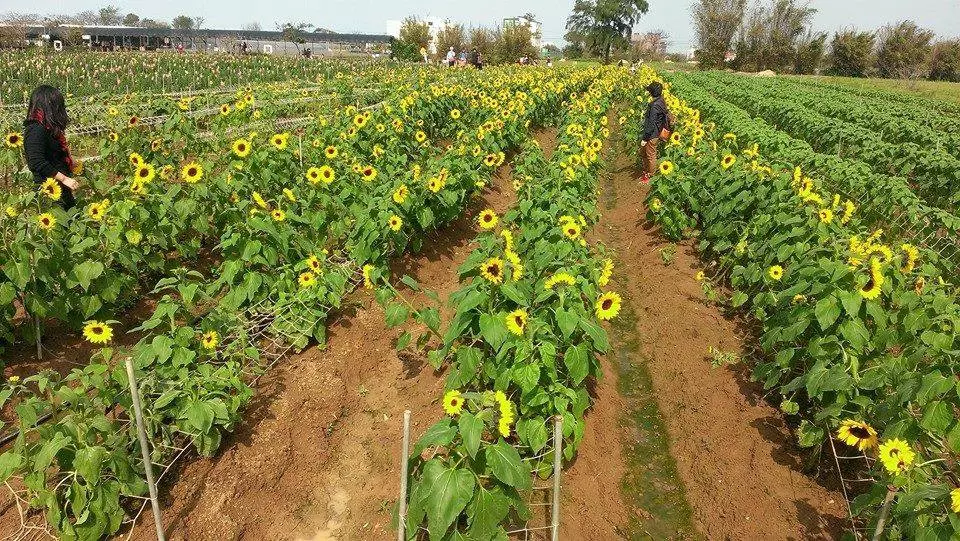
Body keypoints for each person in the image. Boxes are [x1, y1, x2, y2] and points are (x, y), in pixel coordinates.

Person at [24, 85, 79, 210]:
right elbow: (36, 162)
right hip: (48, 192)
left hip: (59, 189)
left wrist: (70, 161)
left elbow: (52, 155)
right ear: (50, 107)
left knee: (72, 223)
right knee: (61, 225)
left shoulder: (47, 128)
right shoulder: (36, 129)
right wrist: (64, 179)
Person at [640, 81, 671, 183]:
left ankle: (650, 176)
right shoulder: (661, 101)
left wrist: (645, 138)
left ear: (651, 92)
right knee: (646, 153)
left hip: (652, 134)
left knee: (650, 155)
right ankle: (647, 172)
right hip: (656, 132)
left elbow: (651, 123)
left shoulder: (654, 105)